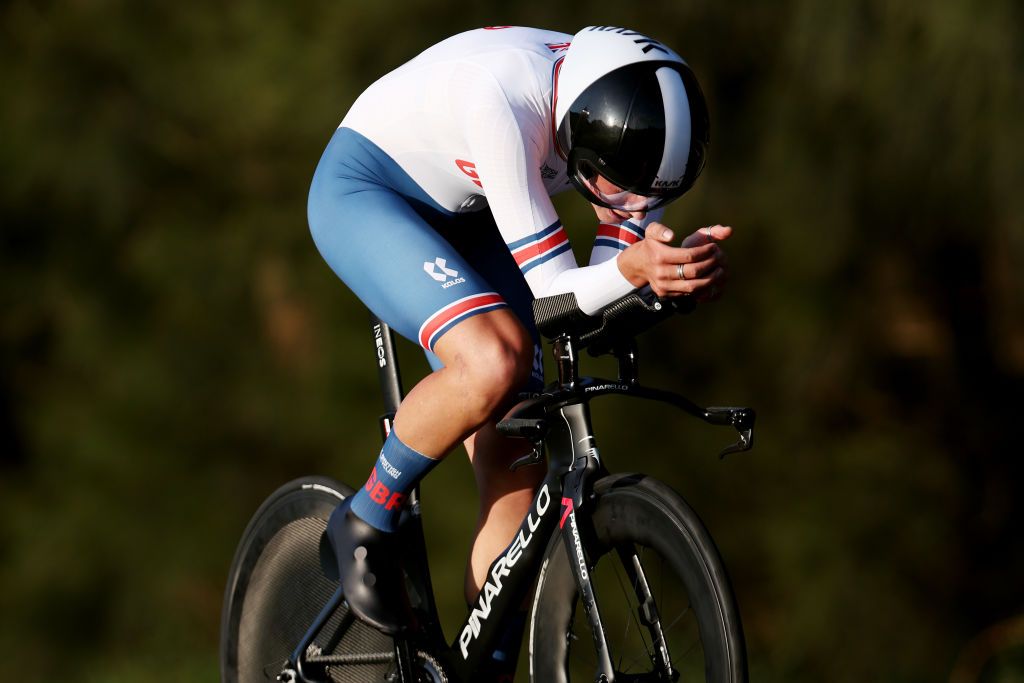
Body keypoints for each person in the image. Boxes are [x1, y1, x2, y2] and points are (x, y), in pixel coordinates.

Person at [307, 24, 731, 679]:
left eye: (651, 195)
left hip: (473, 208)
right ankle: (365, 518)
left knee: (518, 450)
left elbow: (596, 304)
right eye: (618, 188)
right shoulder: (503, 98)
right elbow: (558, 291)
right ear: (580, 133)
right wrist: (633, 272)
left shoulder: (633, 137)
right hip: (369, 192)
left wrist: (669, 281)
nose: (634, 206)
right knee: (493, 360)